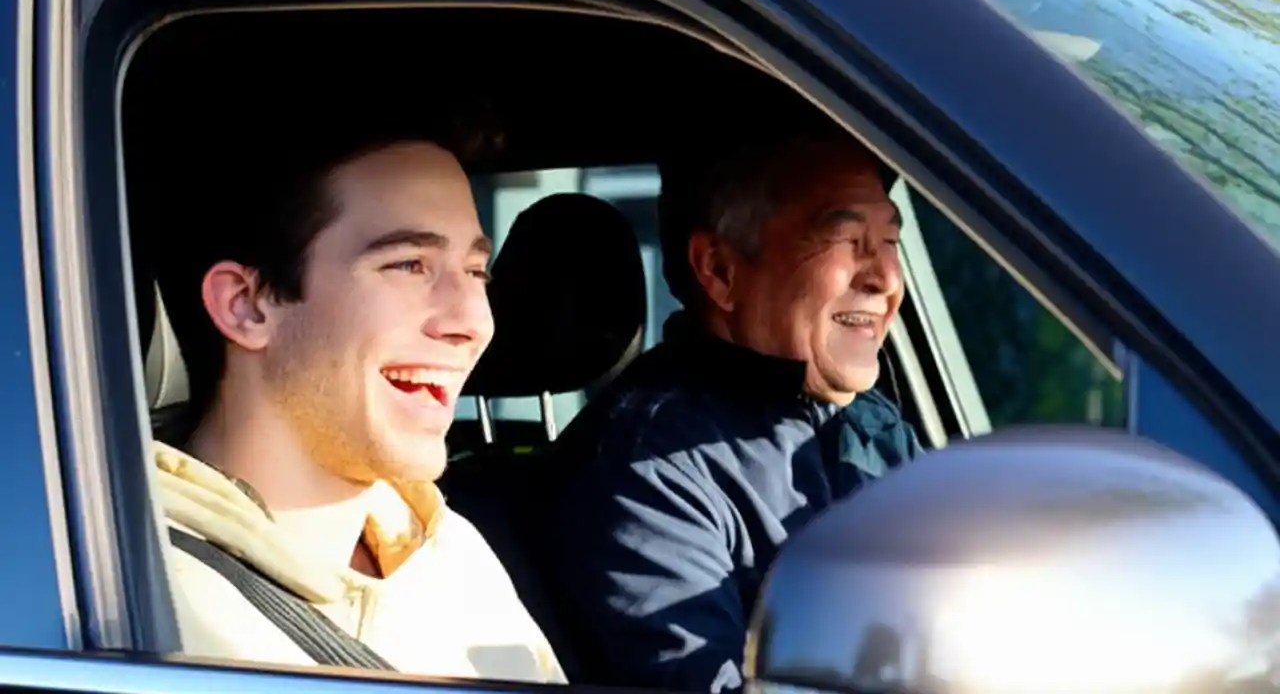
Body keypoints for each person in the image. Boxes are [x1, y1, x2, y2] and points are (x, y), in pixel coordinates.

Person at [150, 135, 564, 682]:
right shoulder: (141, 595)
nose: (474, 322)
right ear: (247, 306)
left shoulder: (452, 553)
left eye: (474, 271)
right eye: (410, 265)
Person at [541, 132, 924, 693]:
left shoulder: (871, 424)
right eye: (846, 240)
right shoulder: (649, 466)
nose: (885, 280)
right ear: (719, 270)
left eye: (890, 241)